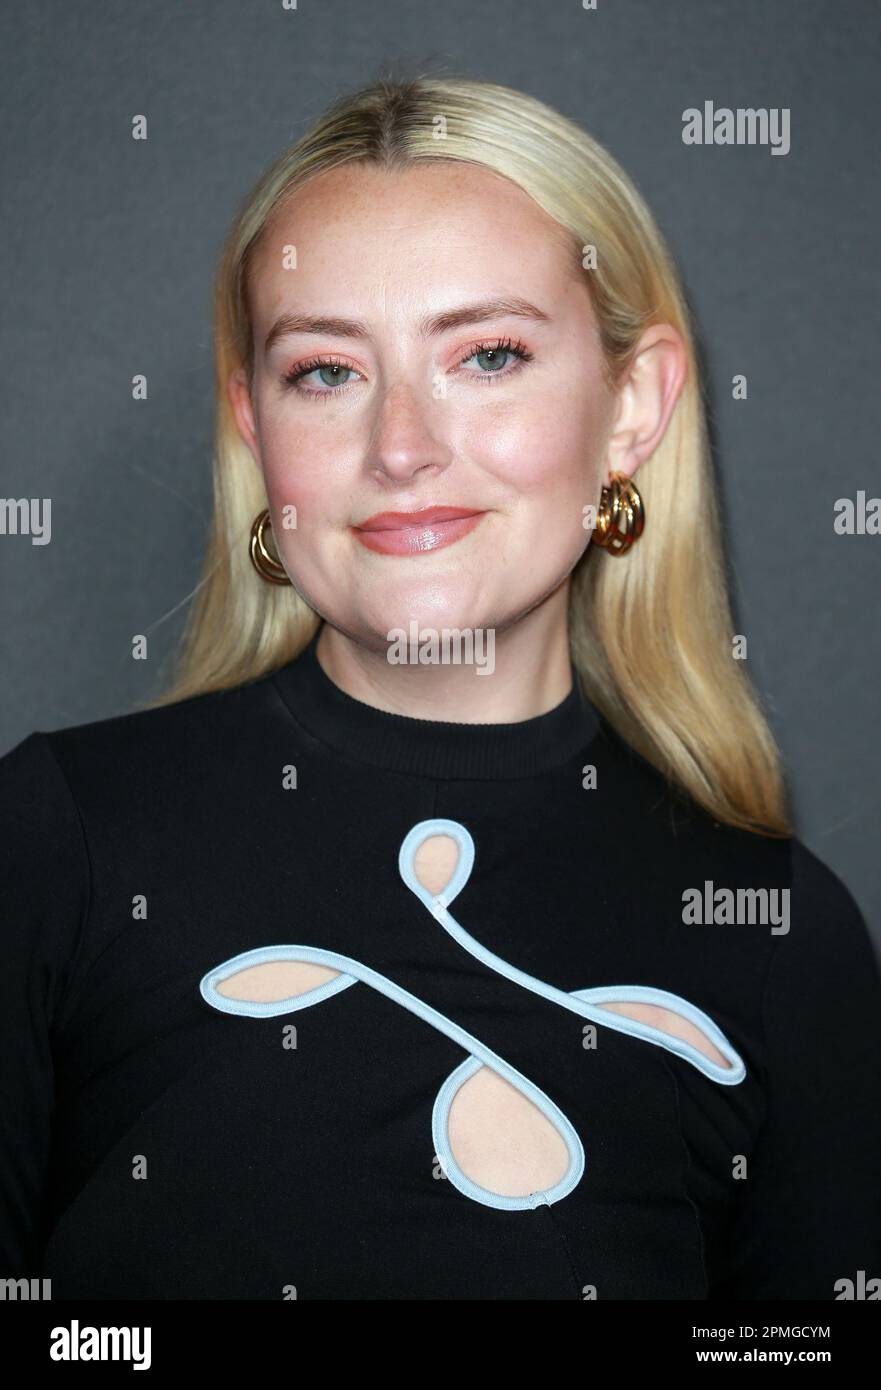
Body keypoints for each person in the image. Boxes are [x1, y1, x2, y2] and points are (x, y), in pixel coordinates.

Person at [1, 72, 879, 1301]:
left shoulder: (778, 928)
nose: (401, 447)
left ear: (632, 407)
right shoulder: (54, 838)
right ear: (253, 424)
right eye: (326, 372)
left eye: (488, 354)